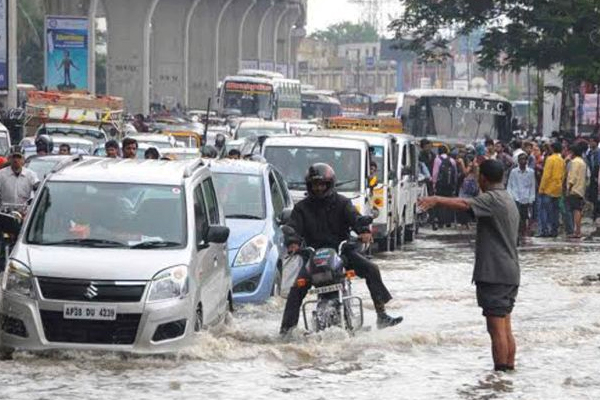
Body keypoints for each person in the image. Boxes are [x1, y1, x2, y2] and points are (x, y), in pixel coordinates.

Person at [418, 160, 520, 372]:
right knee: (505, 327)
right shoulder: (507, 198)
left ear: (483, 178)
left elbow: (465, 204)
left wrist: (436, 199)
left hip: (495, 274)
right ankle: (507, 375)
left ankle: (500, 378)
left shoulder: (492, 199)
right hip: (509, 272)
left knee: (496, 329)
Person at [280, 163, 403, 334]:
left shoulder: (343, 203)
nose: (318, 188)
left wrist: (364, 231)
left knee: (372, 269)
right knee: (296, 289)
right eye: (315, 184)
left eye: (322, 184)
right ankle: (286, 331)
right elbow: (292, 228)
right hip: (313, 257)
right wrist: (292, 243)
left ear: (330, 184)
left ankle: (381, 314)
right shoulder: (301, 208)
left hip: (342, 253)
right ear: (310, 185)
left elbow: (356, 219)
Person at [537, 142, 565, 237]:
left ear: (552, 149)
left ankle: (544, 231)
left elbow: (546, 175)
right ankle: (554, 231)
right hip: (557, 189)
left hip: (548, 189)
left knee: (544, 210)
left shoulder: (550, 159)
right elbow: (563, 175)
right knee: (555, 211)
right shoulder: (562, 160)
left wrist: (541, 188)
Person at [507, 153, 536, 241]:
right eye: (521, 160)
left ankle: (523, 232)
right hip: (515, 197)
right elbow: (510, 184)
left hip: (526, 197)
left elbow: (532, 185)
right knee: (516, 216)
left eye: (524, 159)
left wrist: (531, 198)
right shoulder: (514, 172)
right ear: (518, 161)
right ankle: (517, 232)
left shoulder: (531, 172)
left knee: (524, 216)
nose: (523, 161)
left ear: (527, 161)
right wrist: (510, 196)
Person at [566, 142, 588, 239]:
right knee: (578, 210)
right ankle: (577, 230)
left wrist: (569, 188)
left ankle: (577, 231)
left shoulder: (575, 162)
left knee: (576, 211)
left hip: (574, 189)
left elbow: (572, 176)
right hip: (580, 189)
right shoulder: (582, 162)